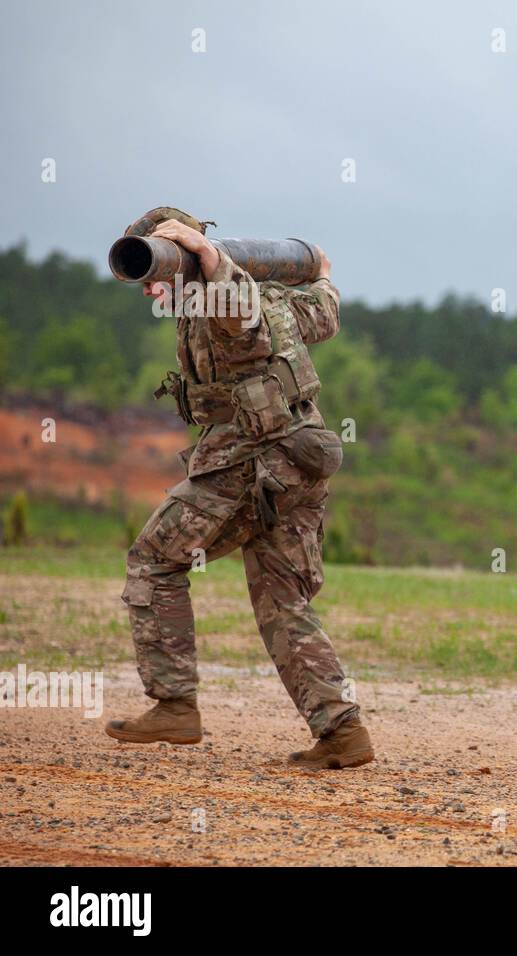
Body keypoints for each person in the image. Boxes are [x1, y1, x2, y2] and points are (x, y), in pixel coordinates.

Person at [105, 206, 372, 770]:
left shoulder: (221, 298)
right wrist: (321, 272)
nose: (152, 290)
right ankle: (342, 731)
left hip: (255, 462)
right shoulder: (269, 297)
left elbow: (237, 307)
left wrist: (209, 260)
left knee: (154, 559)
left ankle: (175, 705)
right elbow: (323, 314)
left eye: (158, 273)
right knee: (282, 599)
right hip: (300, 457)